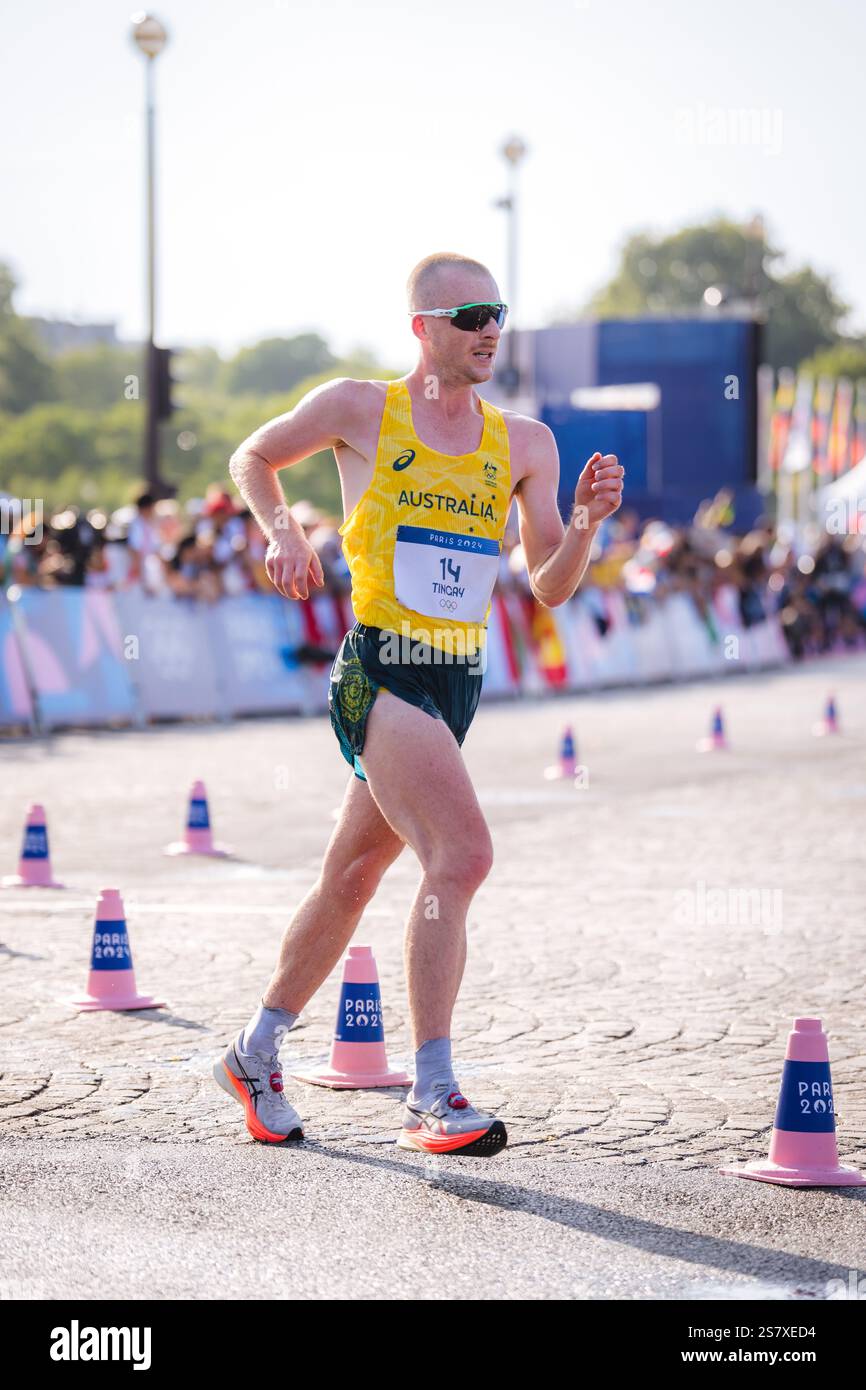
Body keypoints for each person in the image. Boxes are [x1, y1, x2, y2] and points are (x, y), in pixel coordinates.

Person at [217, 252, 624, 1154]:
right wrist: (283, 530)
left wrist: (588, 526)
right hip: (380, 667)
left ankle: (254, 1049)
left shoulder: (525, 443)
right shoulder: (361, 407)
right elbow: (253, 455)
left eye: (499, 313)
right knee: (463, 854)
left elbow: (549, 586)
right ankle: (431, 1091)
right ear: (423, 327)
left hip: (455, 681)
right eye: (470, 313)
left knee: (352, 878)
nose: (489, 330)